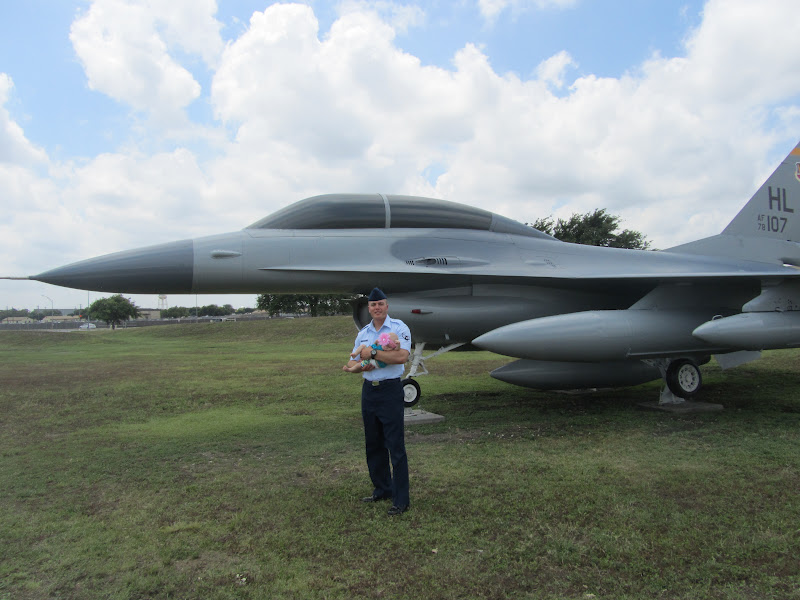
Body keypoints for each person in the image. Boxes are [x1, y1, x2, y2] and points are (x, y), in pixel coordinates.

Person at [343, 287, 411, 516]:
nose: (377, 308)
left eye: (380, 304)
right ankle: (382, 489)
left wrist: (373, 355)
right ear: (369, 309)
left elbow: (401, 356)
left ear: (386, 306)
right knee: (374, 444)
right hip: (369, 391)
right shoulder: (363, 332)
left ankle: (401, 500)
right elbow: (355, 359)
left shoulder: (399, 328)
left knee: (395, 446)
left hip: (390, 390)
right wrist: (351, 368)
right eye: (373, 305)